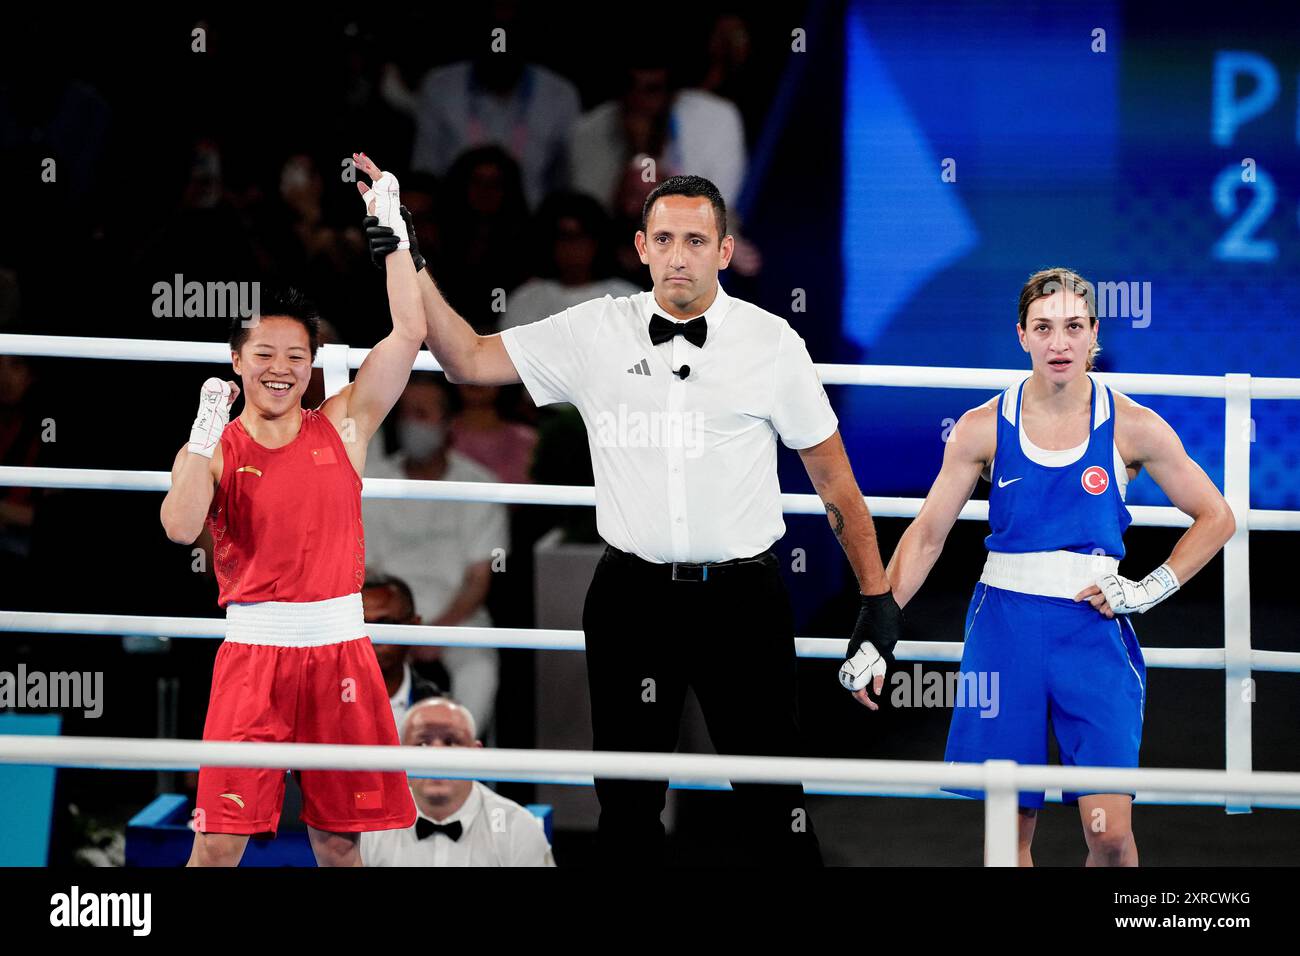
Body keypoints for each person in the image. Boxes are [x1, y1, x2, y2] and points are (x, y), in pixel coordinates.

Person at [369, 173, 903, 866]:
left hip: (742, 599)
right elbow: (467, 357)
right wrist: (410, 260)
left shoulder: (771, 343)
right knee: (625, 803)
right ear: (641, 248)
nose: (679, 255)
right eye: (664, 240)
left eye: (695, 240)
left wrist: (876, 597)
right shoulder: (595, 329)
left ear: (723, 249)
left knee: (776, 801)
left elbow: (833, 477)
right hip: (632, 598)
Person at [884, 267, 1236, 866]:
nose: (1059, 343)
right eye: (1044, 328)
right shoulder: (979, 428)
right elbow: (925, 536)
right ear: (1022, 335)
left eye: (1074, 327)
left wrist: (1148, 588)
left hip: (1092, 633)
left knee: (1109, 833)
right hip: (1004, 632)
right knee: (1010, 834)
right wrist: (877, 628)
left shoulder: (1133, 425)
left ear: (1094, 334)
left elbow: (1217, 516)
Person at [160, 152, 426, 867]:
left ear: (312, 365)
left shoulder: (343, 425)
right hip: (253, 655)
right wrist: (199, 435)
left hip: (340, 648)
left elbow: (407, 335)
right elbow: (181, 526)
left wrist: (395, 237)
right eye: (265, 354)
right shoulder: (218, 444)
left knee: (340, 844)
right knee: (217, 844)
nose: (281, 367)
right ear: (238, 361)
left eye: (296, 356)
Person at [362, 374, 509, 736]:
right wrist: (400, 628)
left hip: (459, 615)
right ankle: (397, 771)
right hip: (387, 615)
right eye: (406, 414)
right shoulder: (372, 481)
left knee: (480, 673)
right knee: (361, 669)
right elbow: (366, 570)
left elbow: (479, 577)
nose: (412, 423)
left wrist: (438, 630)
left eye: (423, 413)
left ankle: (453, 763)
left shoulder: (480, 484)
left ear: (448, 423)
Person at [360, 696, 556, 867]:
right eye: (422, 743)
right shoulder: (368, 822)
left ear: (476, 754)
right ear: (400, 755)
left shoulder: (517, 826)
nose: (437, 755)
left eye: (451, 741)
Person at [361, 571, 445, 734]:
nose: (372, 637)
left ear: (413, 627)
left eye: (385, 624)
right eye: (361, 624)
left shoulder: (440, 711)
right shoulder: (318, 704)